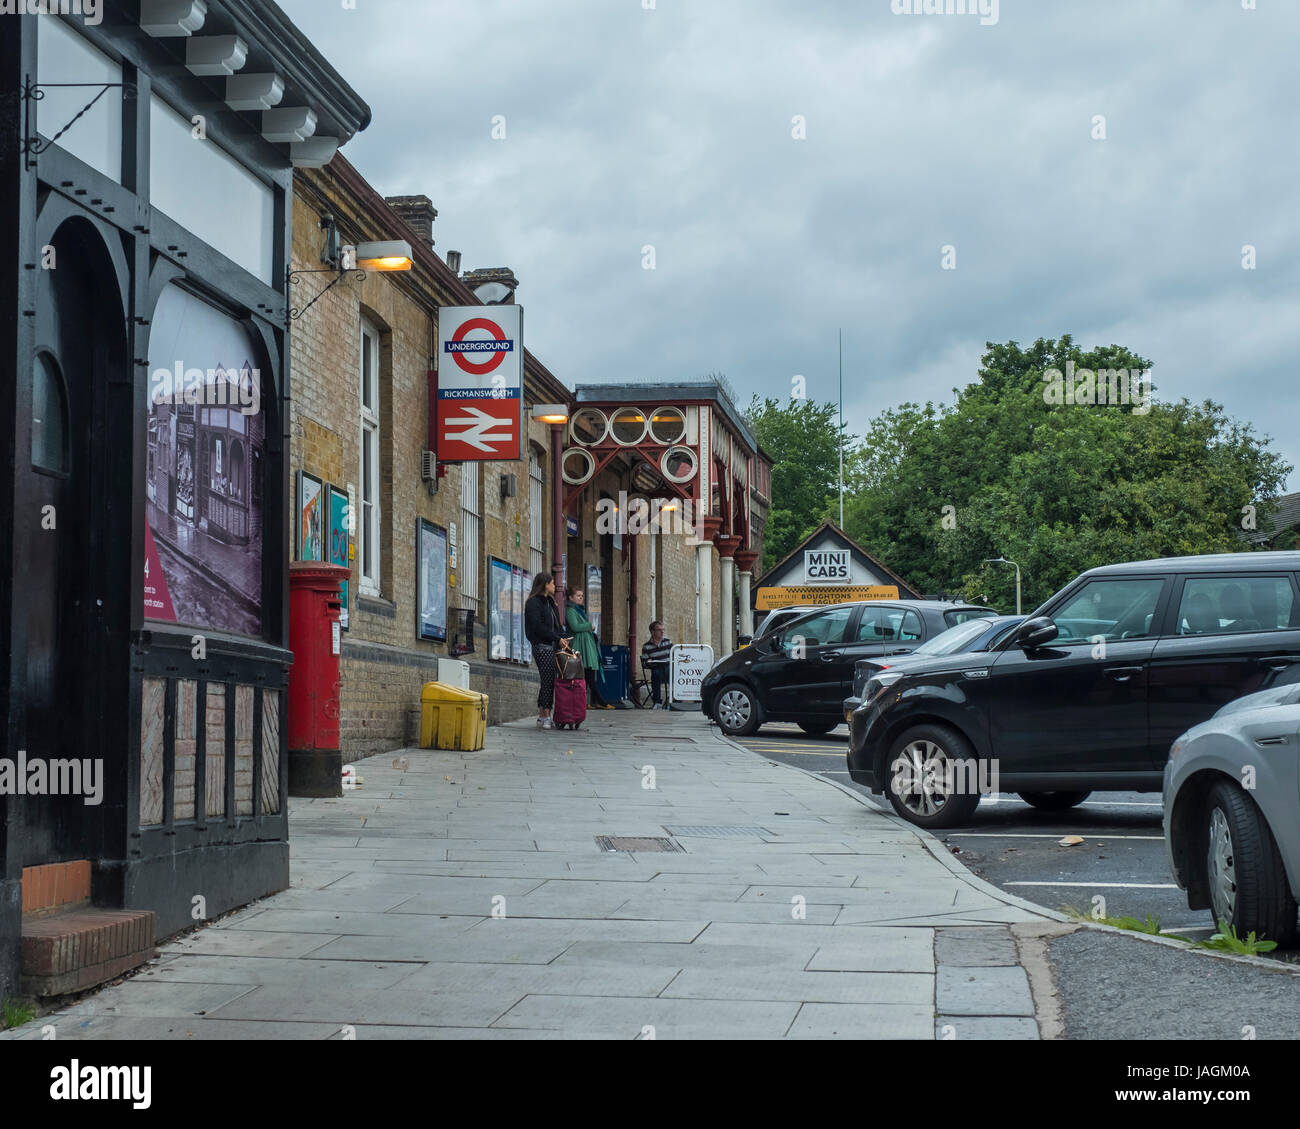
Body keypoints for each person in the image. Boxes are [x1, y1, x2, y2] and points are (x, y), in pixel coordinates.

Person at [524, 570, 570, 729]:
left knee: (549, 679)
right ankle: (545, 715)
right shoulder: (533, 603)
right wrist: (556, 638)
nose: (554, 586)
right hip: (542, 645)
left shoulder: (551, 603)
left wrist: (563, 637)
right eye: (551, 583)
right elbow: (537, 627)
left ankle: (542, 714)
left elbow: (557, 624)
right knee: (548, 679)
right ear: (544, 585)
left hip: (553, 645)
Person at [566, 585, 612, 709]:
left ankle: (587, 702)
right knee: (585, 674)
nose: (581, 598)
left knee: (588, 674)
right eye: (578, 596)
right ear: (571, 597)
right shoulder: (570, 610)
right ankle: (596, 702)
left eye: (582, 596)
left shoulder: (579, 610)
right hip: (579, 645)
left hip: (586, 646)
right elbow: (575, 627)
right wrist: (589, 626)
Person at [641, 620, 673, 709]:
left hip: (668, 670)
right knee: (655, 673)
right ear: (652, 632)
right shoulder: (647, 646)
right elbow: (644, 663)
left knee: (669, 669)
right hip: (656, 669)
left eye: (663, 629)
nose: (662, 632)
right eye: (659, 630)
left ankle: (674, 700)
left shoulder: (668, 642)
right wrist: (648, 662)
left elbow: (675, 656)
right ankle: (657, 702)